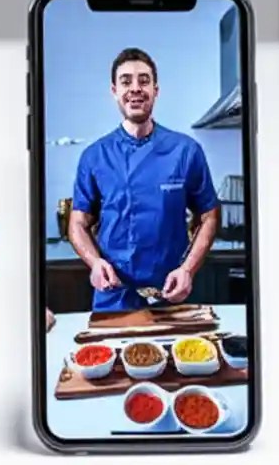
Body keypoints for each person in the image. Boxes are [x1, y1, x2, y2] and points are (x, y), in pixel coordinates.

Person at [68, 47, 220, 312]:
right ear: (114, 90)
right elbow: (78, 223)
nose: (135, 88)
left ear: (156, 90)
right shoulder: (94, 156)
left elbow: (210, 215)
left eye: (144, 80)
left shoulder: (185, 151)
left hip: (171, 293)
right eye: (126, 81)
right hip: (113, 296)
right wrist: (95, 263)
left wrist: (188, 269)